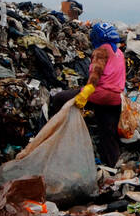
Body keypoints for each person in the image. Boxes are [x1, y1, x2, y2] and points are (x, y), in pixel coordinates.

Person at [49, 22, 125, 168]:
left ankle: (60, 134)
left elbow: (96, 73)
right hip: (116, 99)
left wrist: (86, 92)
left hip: (100, 95)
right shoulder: (119, 52)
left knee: (60, 98)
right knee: (107, 132)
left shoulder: (101, 50)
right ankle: (113, 167)